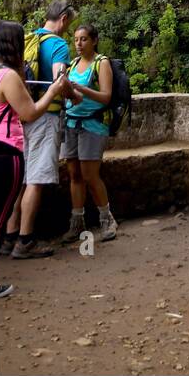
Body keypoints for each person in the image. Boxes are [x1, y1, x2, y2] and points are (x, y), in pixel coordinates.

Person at [0, 22, 69, 300]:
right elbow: (29, 113)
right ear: (14, 46)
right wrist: (53, 92)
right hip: (3, 158)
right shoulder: (7, 77)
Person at [2, 0, 75, 259]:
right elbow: (59, 80)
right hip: (46, 115)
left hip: (22, 116)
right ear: (63, 19)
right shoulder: (58, 45)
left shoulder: (29, 39)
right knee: (36, 179)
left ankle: (10, 237)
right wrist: (73, 94)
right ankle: (26, 241)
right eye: (69, 23)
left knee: (22, 179)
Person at [60, 24, 118, 245]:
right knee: (74, 174)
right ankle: (77, 222)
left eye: (83, 39)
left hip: (93, 125)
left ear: (94, 40)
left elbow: (106, 97)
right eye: (76, 39)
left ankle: (107, 219)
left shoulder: (101, 63)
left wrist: (81, 89)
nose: (78, 43)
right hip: (71, 123)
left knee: (89, 174)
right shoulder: (73, 64)